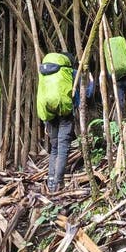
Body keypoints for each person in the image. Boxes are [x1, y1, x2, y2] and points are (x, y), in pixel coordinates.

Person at [37, 52, 77, 193]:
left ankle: (51, 182)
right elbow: (86, 93)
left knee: (54, 148)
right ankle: (59, 183)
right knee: (63, 147)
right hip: (65, 113)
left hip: (49, 113)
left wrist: (45, 120)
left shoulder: (46, 73)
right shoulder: (70, 72)